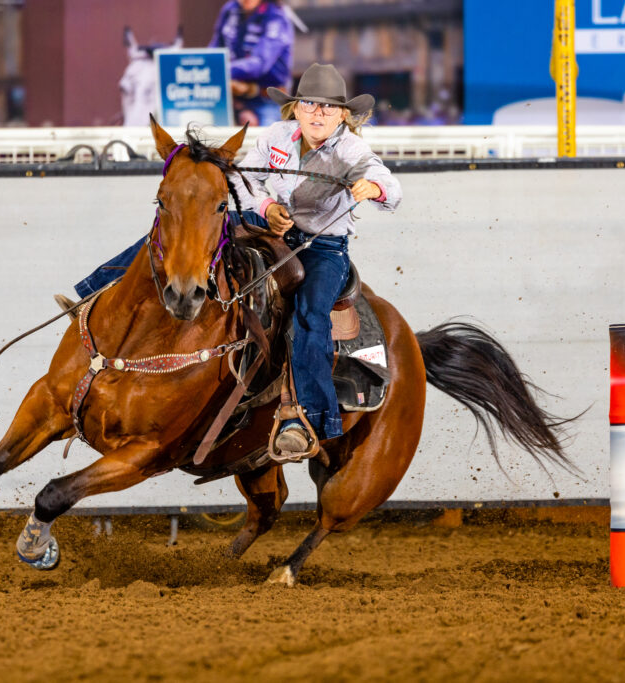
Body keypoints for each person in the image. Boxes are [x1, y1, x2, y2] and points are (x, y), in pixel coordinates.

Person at [62, 63, 401, 458]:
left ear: (343, 114)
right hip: (268, 226)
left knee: (310, 314)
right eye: (310, 104)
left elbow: (391, 189)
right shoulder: (275, 137)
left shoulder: (352, 151)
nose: (318, 113)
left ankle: (308, 416)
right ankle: (96, 291)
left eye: (328, 107)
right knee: (180, 235)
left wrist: (373, 187)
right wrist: (268, 205)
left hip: (321, 247)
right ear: (296, 109)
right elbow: (242, 180)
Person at [209, 0, 294, 127]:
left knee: (267, 143)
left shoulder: (276, 17)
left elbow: (259, 63)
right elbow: (214, 52)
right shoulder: (230, 10)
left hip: (267, 100)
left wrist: (218, 69)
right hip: (232, 99)